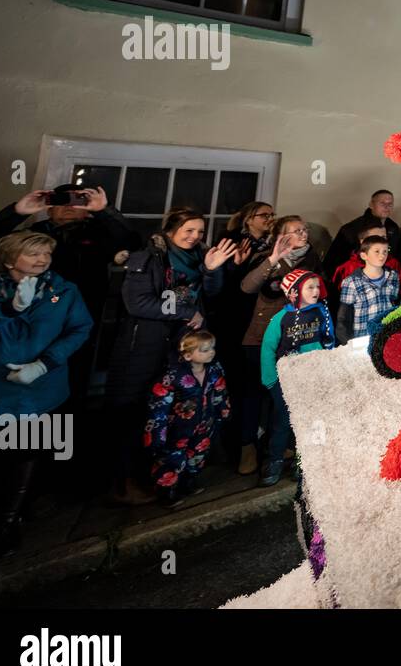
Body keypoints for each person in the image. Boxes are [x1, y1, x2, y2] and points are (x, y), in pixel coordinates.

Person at [0, 185, 140, 494]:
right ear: (49, 206)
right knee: (11, 409)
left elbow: (134, 245)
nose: (70, 207)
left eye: (80, 201)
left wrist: (105, 212)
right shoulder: (34, 235)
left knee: (66, 400)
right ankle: (7, 486)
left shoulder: (97, 235)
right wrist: (16, 211)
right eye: (62, 201)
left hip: (76, 328)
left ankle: (57, 479)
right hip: (19, 332)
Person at [0, 232, 92, 555]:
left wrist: (44, 364)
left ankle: (8, 522)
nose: (42, 260)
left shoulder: (65, 291)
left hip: (41, 387)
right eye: (32, 254)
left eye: (45, 253)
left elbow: (80, 328)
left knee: (27, 451)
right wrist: (9, 310)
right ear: (9, 261)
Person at [102, 209, 234, 504]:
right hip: (146, 344)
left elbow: (211, 294)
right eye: (189, 230)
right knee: (135, 410)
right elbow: (138, 303)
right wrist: (187, 311)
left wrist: (212, 270)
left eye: (200, 231)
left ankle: (166, 477)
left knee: (170, 414)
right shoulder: (148, 257)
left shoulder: (201, 256)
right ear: (171, 230)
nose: (195, 236)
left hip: (180, 345)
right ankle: (123, 481)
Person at [239, 216, 322, 476]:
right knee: (255, 395)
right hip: (263, 336)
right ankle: (248, 447)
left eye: (305, 228)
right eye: (296, 230)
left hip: (298, 339)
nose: (303, 232)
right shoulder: (266, 257)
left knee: (288, 402)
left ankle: (284, 449)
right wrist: (274, 258)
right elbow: (247, 287)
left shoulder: (313, 259)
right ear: (281, 235)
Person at [212, 202, 274, 470]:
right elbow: (224, 283)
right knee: (240, 386)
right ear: (249, 219)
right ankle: (239, 444)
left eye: (272, 215)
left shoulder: (273, 244)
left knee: (263, 386)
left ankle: (264, 440)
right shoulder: (232, 242)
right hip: (235, 320)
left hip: (264, 320)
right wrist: (238, 265)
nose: (270, 219)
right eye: (264, 215)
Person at [259, 269, 335, 486]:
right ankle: (275, 459)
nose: (316, 290)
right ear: (294, 292)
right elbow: (268, 349)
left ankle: (306, 461)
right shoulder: (281, 319)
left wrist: (329, 371)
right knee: (283, 421)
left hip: (315, 379)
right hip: (287, 382)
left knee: (313, 421)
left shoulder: (322, 312)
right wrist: (271, 380)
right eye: (310, 287)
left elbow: (329, 342)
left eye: (317, 286)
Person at [145, 330, 230, 508]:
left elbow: (221, 392)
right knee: (173, 459)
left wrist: (223, 411)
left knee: (198, 454)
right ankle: (166, 491)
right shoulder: (173, 376)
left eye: (212, 348)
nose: (211, 352)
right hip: (178, 427)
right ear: (188, 355)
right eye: (205, 350)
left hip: (205, 423)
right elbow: (159, 406)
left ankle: (188, 482)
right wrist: (157, 433)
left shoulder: (214, 370)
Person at [323, 190, 401, 286]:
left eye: (390, 204)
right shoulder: (351, 229)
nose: (387, 207)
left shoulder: (393, 227)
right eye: (382, 203)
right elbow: (333, 261)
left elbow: (399, 253)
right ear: (371, 204)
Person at [336, 235, 401, 343]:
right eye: (377, 251)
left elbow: (394, 303)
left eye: (385, 251)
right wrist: (348, 343)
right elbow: (343, 318)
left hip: (388, 336)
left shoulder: (393, 276)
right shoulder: (351, 282)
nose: (382, 255)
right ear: (364, 255)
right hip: (363, 338)